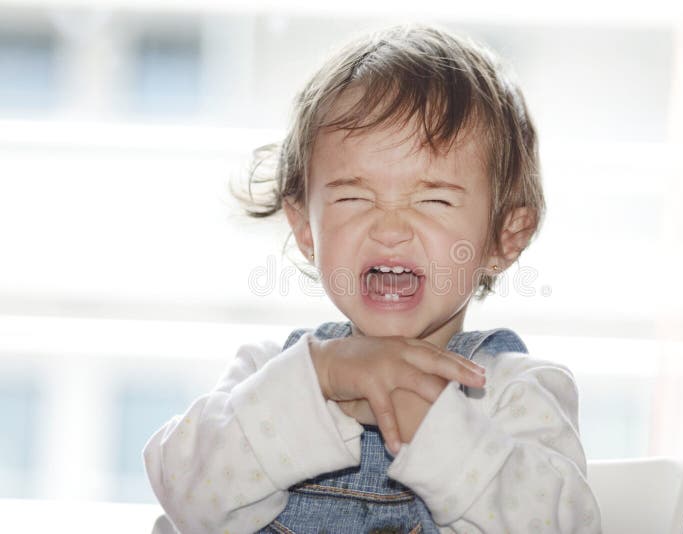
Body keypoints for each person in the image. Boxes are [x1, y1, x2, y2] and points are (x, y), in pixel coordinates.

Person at [144, 24, 601, 534]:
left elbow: (564, 525)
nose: (389, 228)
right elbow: (184, 493)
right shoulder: (269, 374)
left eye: (434, 199)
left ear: (504, 237)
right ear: (305, 227)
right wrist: (319, 378)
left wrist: (429, 422)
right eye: (353, 197)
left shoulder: (516, 395)